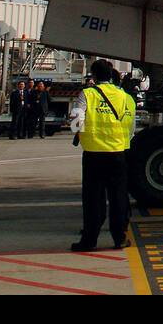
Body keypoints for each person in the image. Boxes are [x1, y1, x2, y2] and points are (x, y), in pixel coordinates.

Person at [68, 59, 136, 252]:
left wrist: (79, 134)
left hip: (93, 154)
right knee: (119, 198)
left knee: (93, 199)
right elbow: (131, 128)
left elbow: (76, 119)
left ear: (94, 76)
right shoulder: (125, 97)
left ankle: (89, 240)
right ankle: (119, 238)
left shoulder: (88, 94)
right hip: (118, 154)